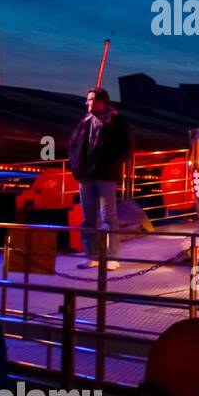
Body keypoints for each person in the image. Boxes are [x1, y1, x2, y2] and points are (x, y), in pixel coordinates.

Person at [69, 87, 134, 270]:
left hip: (105, 176)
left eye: (90, 100)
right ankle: (92, 255)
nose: (87, 103)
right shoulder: (84, 123)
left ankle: (112, 256)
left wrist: (112, 164)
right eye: (87, 99)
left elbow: (126, 147)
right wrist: (75, 167)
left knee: (108, 217)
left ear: (101, 102)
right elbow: (73, 144)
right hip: (85, 177)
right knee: (88, 218)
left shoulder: (117, 122)